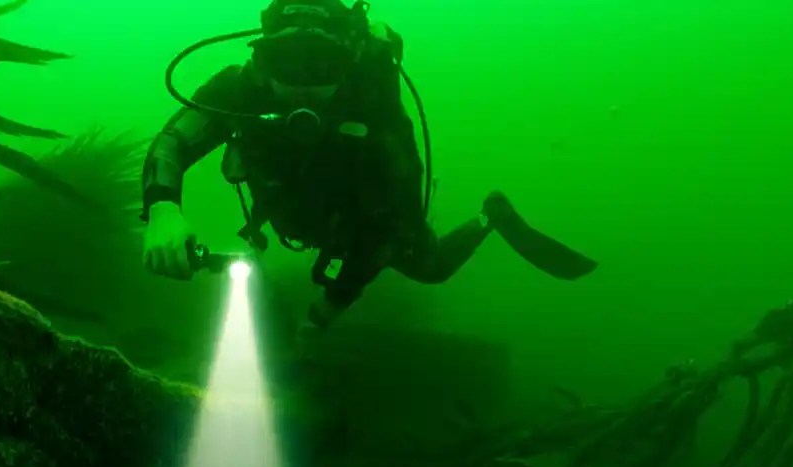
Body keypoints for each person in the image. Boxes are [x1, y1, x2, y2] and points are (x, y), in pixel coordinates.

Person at [139, 0, 596, 335]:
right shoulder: (240, 92)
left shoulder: (376, 118)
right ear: (262, 59)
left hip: (359, 226)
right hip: (297, 214)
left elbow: (388, 232)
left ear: (350, 65)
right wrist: (162, 209)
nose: (301, 86)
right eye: (286, 63)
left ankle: (490, 216)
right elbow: (173, 141)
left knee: (431, 266)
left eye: (322, 66)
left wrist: (333, 303)